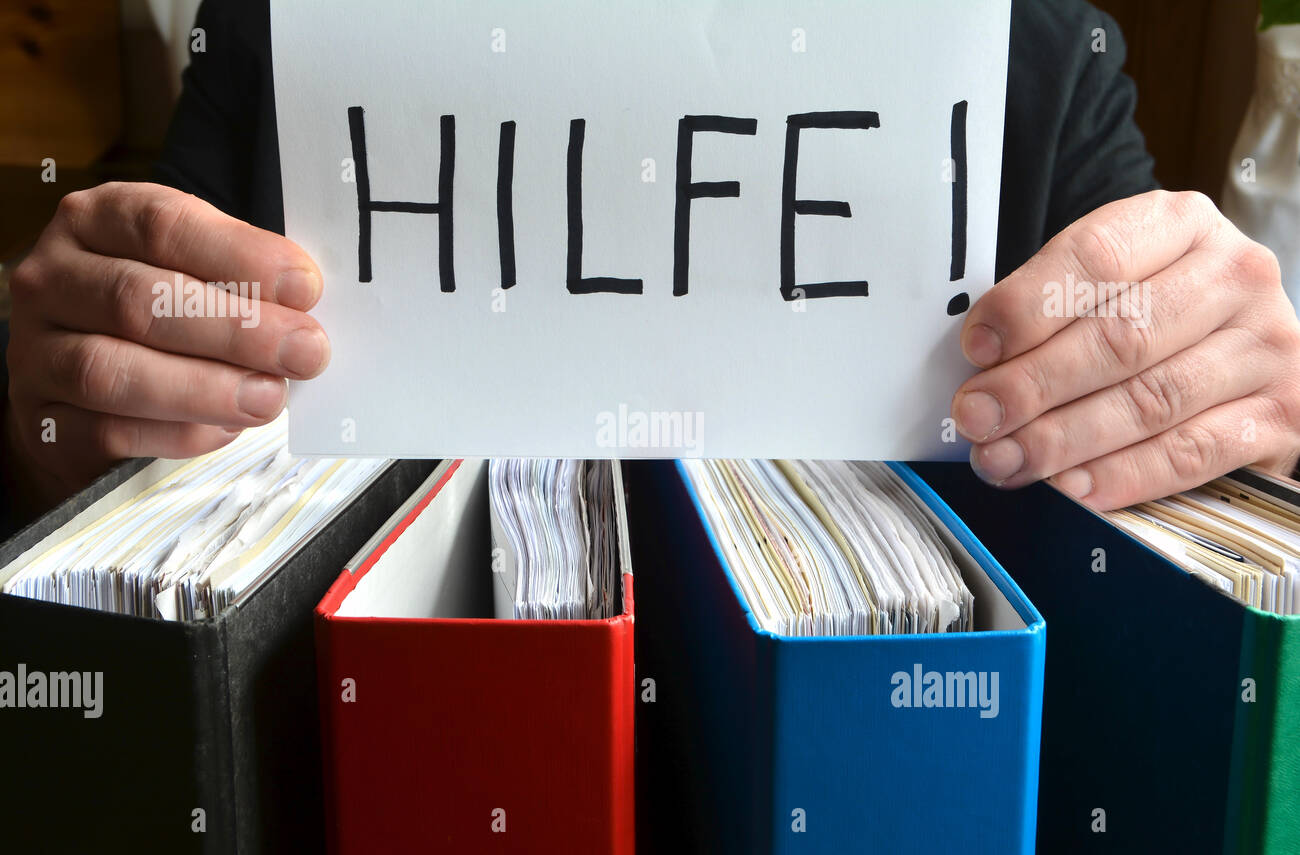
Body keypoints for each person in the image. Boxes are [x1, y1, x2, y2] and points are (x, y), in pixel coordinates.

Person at [3, 0, 1298, 538]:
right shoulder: (288, 32)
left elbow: (1195, 434)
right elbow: (114, 397)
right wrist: (51, 412)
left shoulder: (1029, 56)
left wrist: (1250, 403)